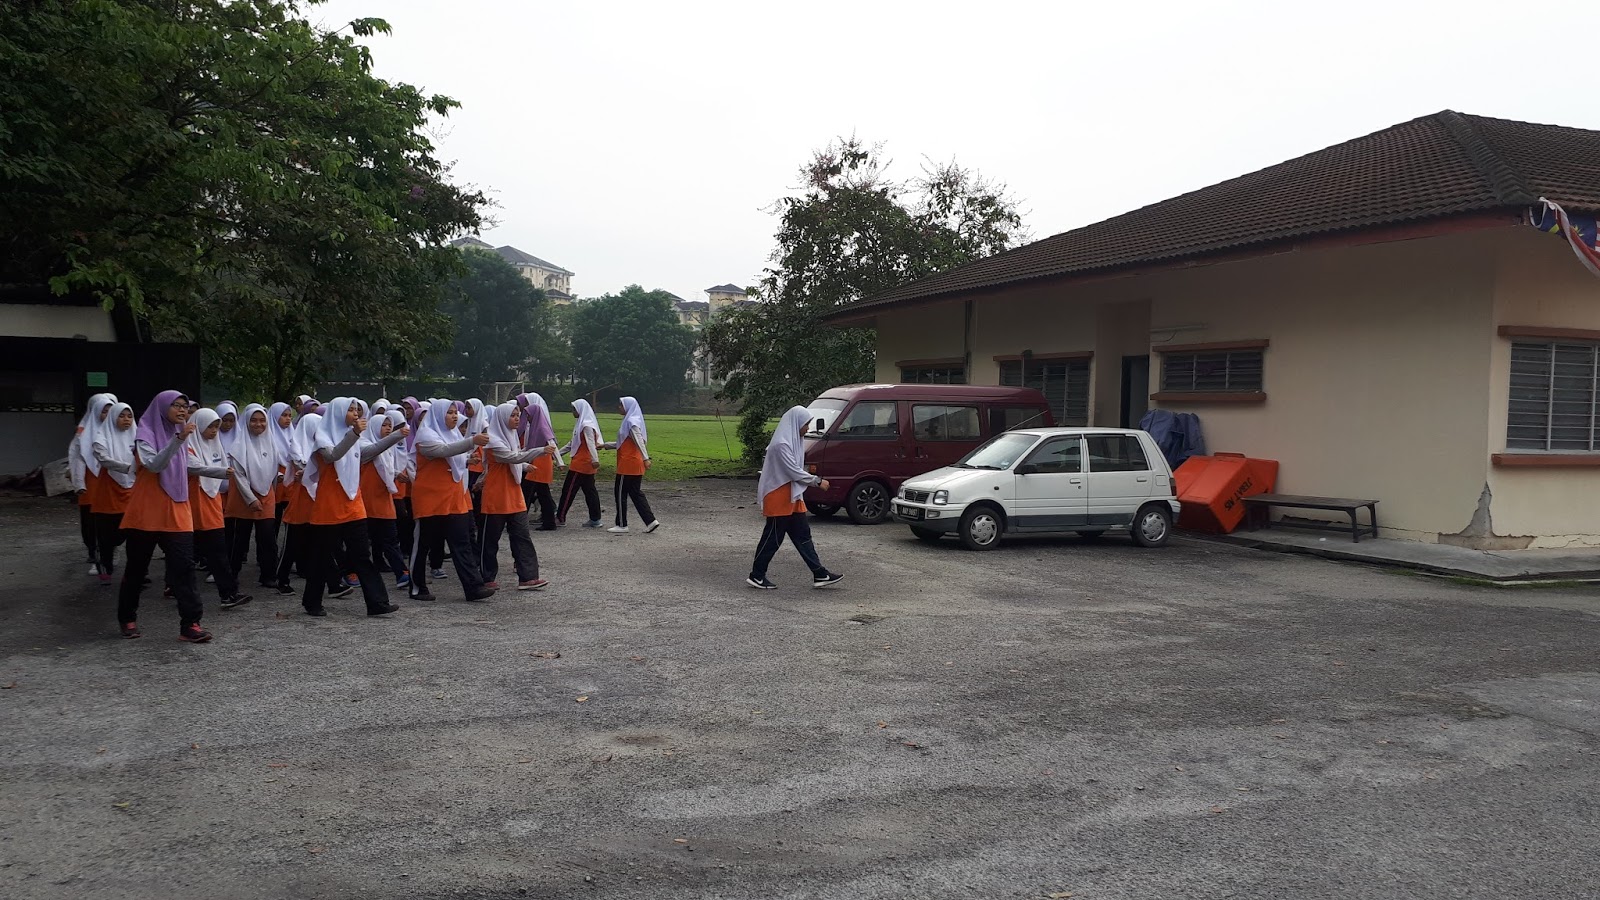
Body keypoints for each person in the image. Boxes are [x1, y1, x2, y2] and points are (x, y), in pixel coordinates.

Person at [117, 390, 212, 642]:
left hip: (177, 509)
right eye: (175, 406)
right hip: (147, 511)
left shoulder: (181, 435)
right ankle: (127, 618)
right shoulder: (145, 435)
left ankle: (191, 623)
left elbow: (187, 465)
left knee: (184, 568)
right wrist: (178, 440)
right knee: (137, 569)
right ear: (161, 408)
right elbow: (154, 465)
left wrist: (222, 472)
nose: (181, 411)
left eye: (184, 406)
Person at [302, 397, 402, 617]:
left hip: (353, 502)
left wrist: (395, 436)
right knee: (321, 557)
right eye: (351, 410)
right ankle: (312, 602)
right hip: (329, 506)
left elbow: (367, 454)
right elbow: (331, 456)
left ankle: (377, 603)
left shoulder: (354, 436)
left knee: (362, 556)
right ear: (338, 412)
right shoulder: (323, 436)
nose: (356, 414)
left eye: (357, 410)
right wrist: (355, 434)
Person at [748, 406, 845, 590]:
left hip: (791, 495)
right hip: (778, 496)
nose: (807, 428)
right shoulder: (780, 446)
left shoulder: (792, 442)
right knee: (772, 538)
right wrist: (816, 481)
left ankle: (819, 573)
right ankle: (757, 575)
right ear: (796, 424)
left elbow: (795, 471)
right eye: (806, 424)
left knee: (803, 536)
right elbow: (793, 472)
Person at [408, 398, 494, 602]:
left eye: (456, 412)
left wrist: (466, 459)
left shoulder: (453, 434)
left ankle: (474, 587)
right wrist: (472, 442)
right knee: (423, 544)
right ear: (438, 414)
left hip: (453, 497)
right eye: (450, 412)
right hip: (431, 498)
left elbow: (452, 457)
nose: (455, 416)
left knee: (461, 542)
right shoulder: (426, 435)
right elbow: (441, 451)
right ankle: (417, 586)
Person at [477, 401, 551, 590]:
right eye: (513, 415)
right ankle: (486, 577)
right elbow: (510, 457)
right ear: (502, 418)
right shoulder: (492, 440)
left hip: (513, 492)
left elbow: (514, 458)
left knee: (522, 535)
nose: (517, 418)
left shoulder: (511, 437)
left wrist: (525, 466)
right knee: (490, 539)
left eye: (518, 415)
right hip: (496, 494)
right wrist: (539, 451)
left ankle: (528, 576)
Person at [185, 408, 252, 609]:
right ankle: (176, 586)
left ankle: (229, 593)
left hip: (212, 501)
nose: (214, 431)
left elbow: (223, 468)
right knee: (189, 550)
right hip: (194, 501)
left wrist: (223, 474)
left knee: (216, 549)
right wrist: (221, 472)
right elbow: (193, 467)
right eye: (210, 426)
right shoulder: (188, 445)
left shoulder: (216, 446)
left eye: (216, 426)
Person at [227, 403, 281, 588]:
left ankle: (268, 575)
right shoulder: (238, 446)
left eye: (262, 421)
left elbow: (272, 468)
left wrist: (277, 479)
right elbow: (239, 476)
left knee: (267, 538)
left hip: (266, 494)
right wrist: (250, 499)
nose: (258, 425)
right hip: (245, 497)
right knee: (240, 539)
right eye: (254, 421)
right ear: (246, 422)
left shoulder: (270, 441)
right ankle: (231, 575)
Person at [87, 401, 136, 585]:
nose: (126, 420)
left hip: (132, 489)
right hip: (109, 490)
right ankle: (105, 567)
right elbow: (105, 460)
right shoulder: (101, 437)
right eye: (122, 416)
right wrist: (130, 468)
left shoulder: (137, 437)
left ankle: (136, 572)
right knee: (107, 535)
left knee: (134, 534)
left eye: (129, 416)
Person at [361, 408, 411, 585]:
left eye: (390, 425)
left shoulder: (386, 448)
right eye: (384, 425)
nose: (388, 429)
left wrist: (397, 473)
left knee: (390, 538)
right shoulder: (364, 444)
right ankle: (355, 572)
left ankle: (401, 573)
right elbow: (372, 453)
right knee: (363, 541)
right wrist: (396, 436)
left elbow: (386, 467)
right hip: (368, 500)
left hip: (384, 497)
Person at [70, 392, 118, 574]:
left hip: (112, 482)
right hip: (92, 483)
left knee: (111, 521)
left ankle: (108, 552)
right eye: (103, 410)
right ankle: (95, 553)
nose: (107, 415)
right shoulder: (84, 431)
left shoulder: (121, 428)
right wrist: (78, 482)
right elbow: (77, 458)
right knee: (91, 521)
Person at [602, 396, 660, 535]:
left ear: (627, 407)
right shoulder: (632, 420)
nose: (619, 407)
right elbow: (624, 443)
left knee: (620, 493)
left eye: (621, 405)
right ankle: (650, 521)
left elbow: (639, 440)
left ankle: (622, 524)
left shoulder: (631, 422)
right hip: (634, 463)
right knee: (635, 493)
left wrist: (646, 457)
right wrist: (605, 445)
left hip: (628, 464)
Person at [516, 393, 562, 530]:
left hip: (540, 464)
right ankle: (549, 522)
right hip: (537, 462)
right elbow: (529, 447)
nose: (527, 418)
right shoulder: (534, 427)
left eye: (528, 415)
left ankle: (519, 521)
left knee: (528, 492)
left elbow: (552, 444)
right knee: (542, 494)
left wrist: (560, 462)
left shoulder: (541, 428)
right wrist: (519, 454)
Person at [556, 399, 604, 527]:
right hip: (585, 463)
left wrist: (595, 459)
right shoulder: (581, 424)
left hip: (581, 464)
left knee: (568, 490)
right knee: (590, 491)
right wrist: (557, 454)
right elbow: (572, 444)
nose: (572, 412)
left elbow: (590, 443)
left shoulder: (586, 425)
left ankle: (560, 517)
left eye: (574, 409)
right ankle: (595, 518)